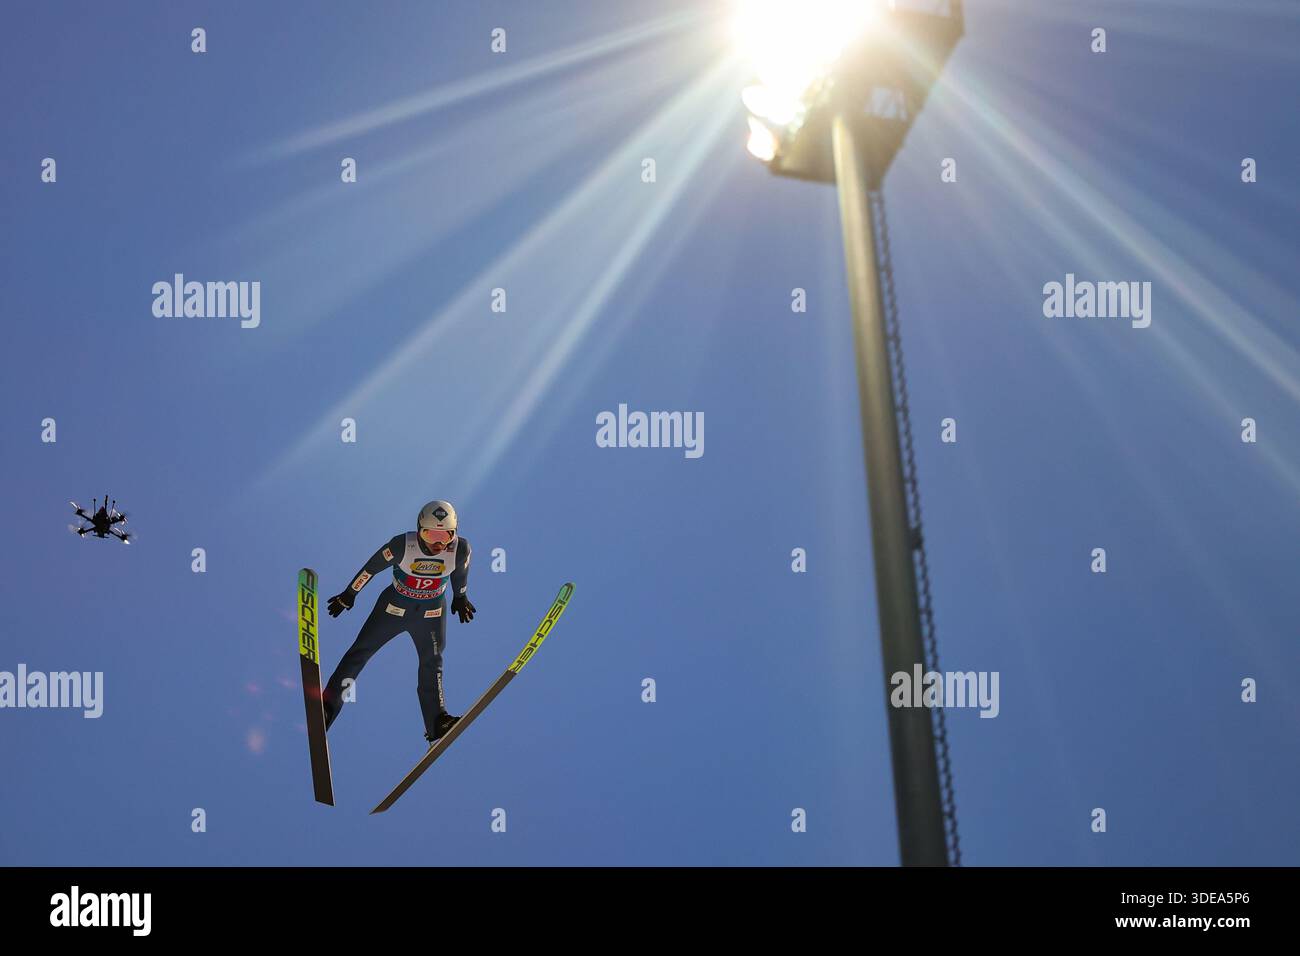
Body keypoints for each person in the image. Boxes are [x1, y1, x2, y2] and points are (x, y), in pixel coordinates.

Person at [321, 500, 475, 745]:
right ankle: (327, 706)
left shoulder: (460, 549)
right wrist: (350, 594)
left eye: (445, 535)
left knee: (432, 662)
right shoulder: (403, 545)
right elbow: (370, 569)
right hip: (393, 609)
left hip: (431, 613)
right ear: (418, 529)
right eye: (430, 534)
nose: (438, 543)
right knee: (359, 652)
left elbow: (460, 573)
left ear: (454, 534)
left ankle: (437, 721)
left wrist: (461, 596)